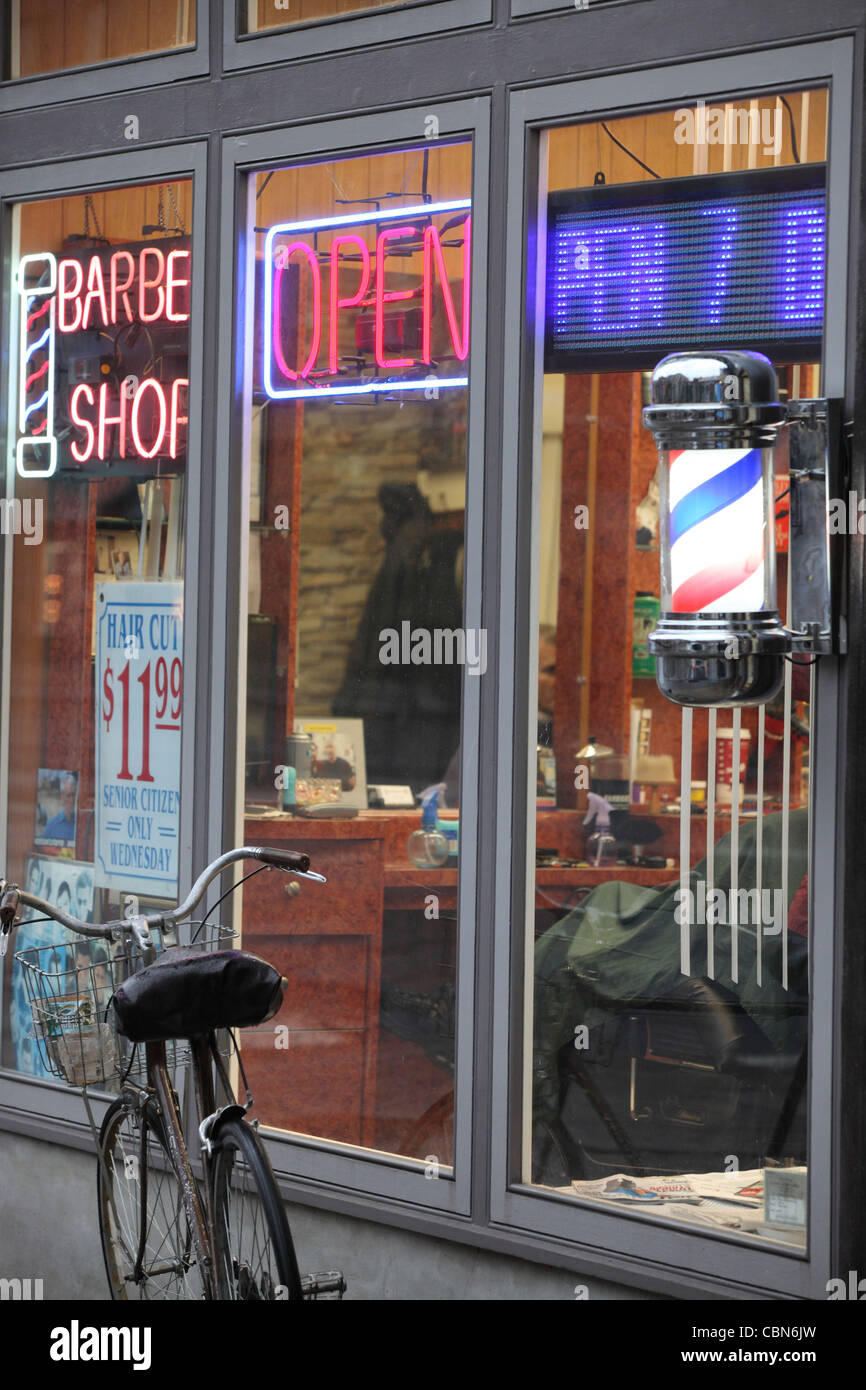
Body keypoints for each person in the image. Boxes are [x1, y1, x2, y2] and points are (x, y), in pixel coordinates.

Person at [42, 775, 76, 843]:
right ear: (62, 797)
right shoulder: (51, 825)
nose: (72, 800)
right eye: (68, 796)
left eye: (73, 795)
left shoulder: (81, 823)